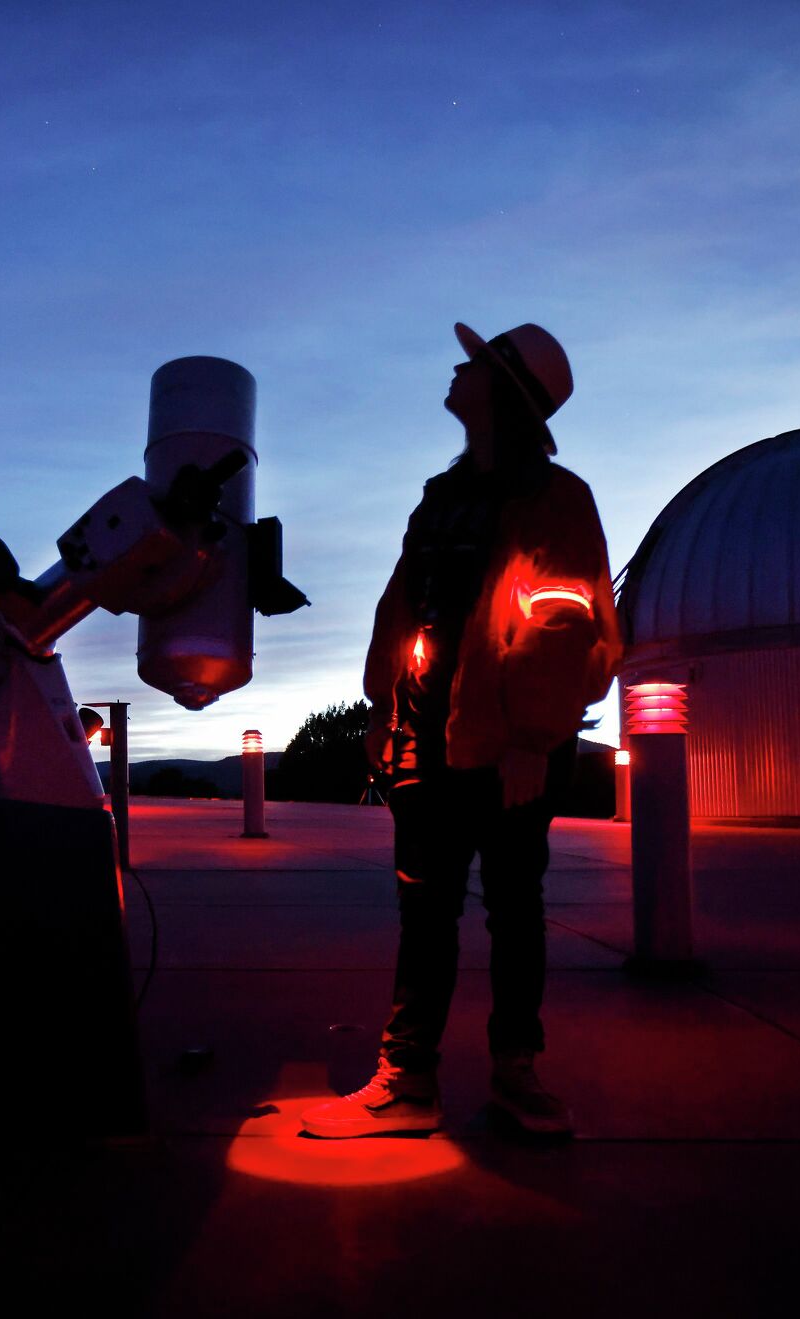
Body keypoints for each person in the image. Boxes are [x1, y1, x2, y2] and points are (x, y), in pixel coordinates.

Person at [302, 322, 620, 1138]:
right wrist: (381, 708)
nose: (456, 366)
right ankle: (407, 1081)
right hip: (426, 741)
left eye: (474, 362)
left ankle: (517, 1073)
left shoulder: (557, 500)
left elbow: (564, 620)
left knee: (514, 910)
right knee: (426, 912)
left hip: (509, 750)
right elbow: (400, 605)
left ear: (502, 392)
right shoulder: (440, 499)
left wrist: (531, 737)